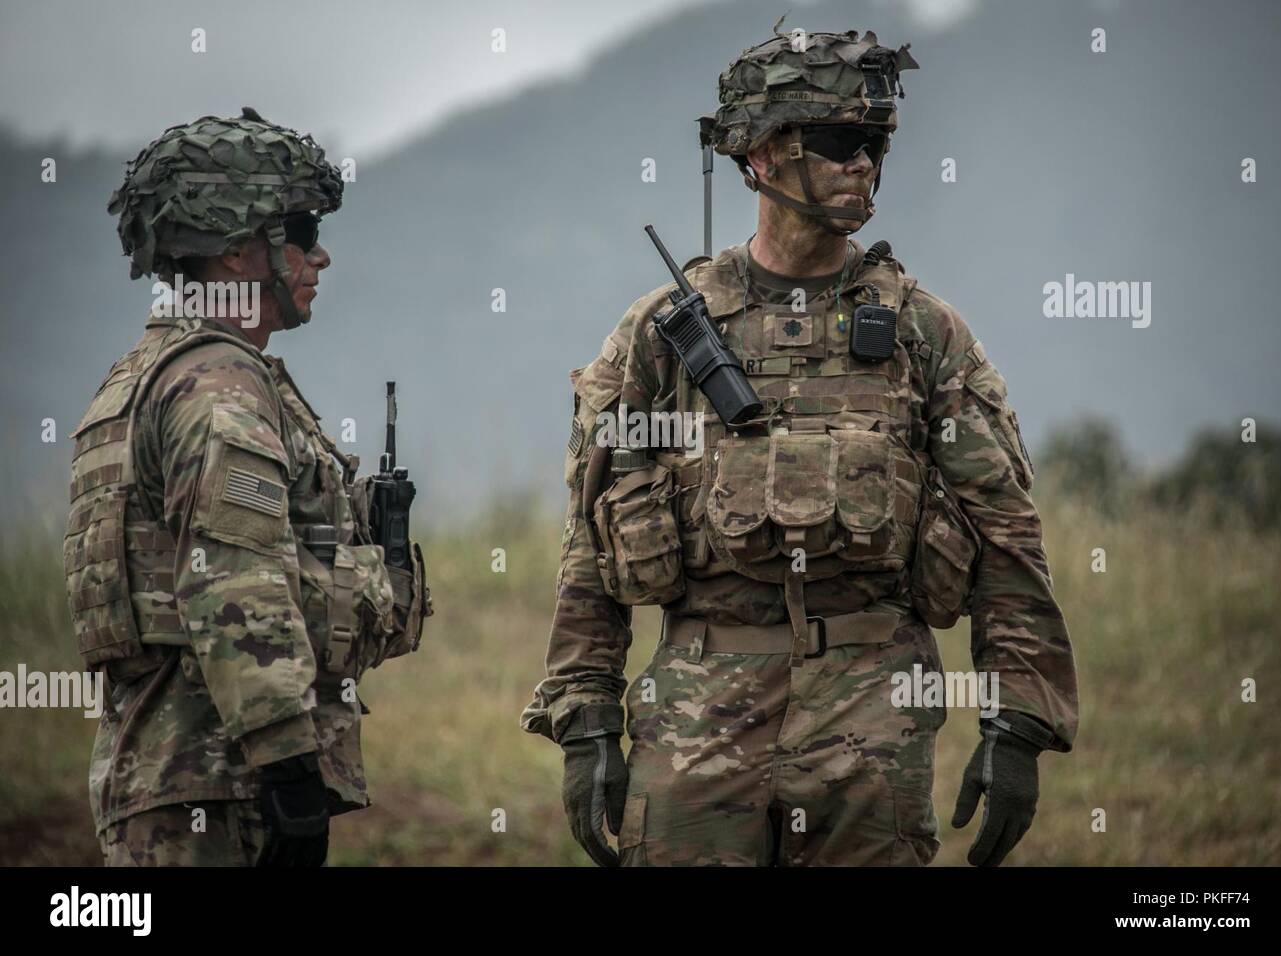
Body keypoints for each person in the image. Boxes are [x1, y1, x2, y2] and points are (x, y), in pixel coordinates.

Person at [522, 29, 1078, 866]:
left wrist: (1018, 723)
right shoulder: (661, 335)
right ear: (767, 155)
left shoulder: (922, 332)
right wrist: (586, 719)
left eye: (877, 145)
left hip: (872, 719)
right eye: (841, 143)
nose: (864, 165)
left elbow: (1004, 534)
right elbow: (590, 540)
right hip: (695, 720)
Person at [66, 108, 431, 866]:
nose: (319, 257)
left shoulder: (148, 375)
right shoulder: (218, 382)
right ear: (236, 254)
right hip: (217, 788)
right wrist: (289, 773)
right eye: (298, 232)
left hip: (170, 778)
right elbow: (235, 586)